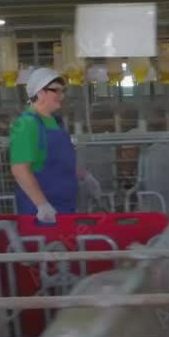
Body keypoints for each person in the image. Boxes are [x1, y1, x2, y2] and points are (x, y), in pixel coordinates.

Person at [9, 67, 101, 222]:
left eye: (62, 91)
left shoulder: (55, 122)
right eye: (56, 91)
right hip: (41, 212)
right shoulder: (26, 124)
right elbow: (19, 169)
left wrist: (84, 175)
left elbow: (55, 163)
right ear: (40, 92)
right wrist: (42, 204)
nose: (61, 96)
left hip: (65, 207)